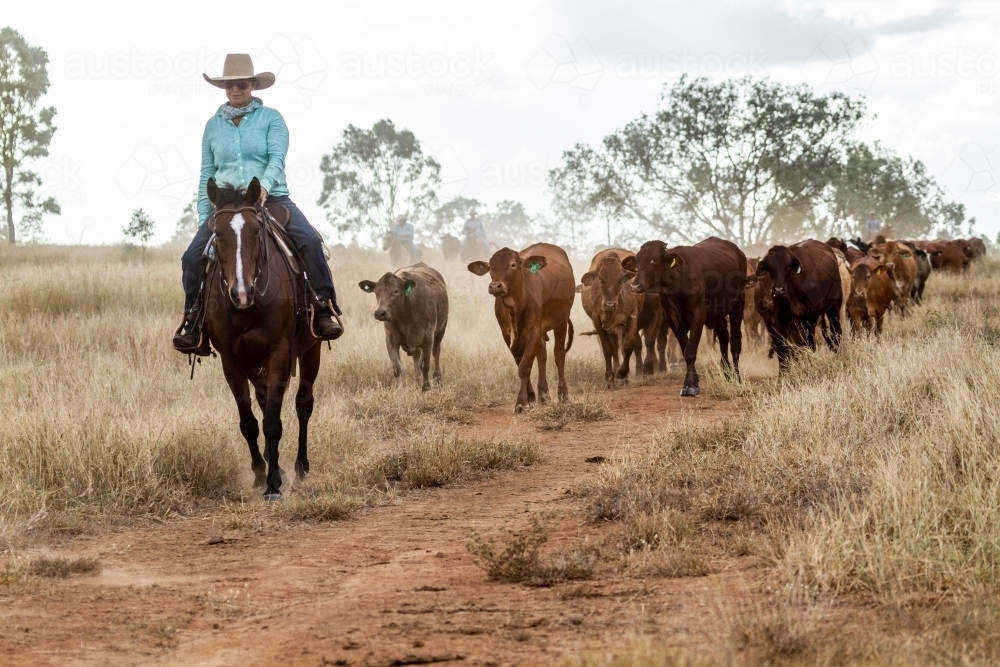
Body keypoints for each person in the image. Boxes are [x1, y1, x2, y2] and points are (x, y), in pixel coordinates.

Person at [173, 54, 342, 352]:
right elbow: (206, 175)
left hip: (271, 198)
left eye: (240, 84)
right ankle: (193, 320)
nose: (234, 90)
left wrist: (263, 187)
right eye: (228, 85)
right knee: (191, 258)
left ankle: (323, 307)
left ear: (252, 84)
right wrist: (204, 218)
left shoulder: (272, 119)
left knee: (310, 242)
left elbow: (277, 158)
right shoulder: (212, 127)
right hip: (225, 206)